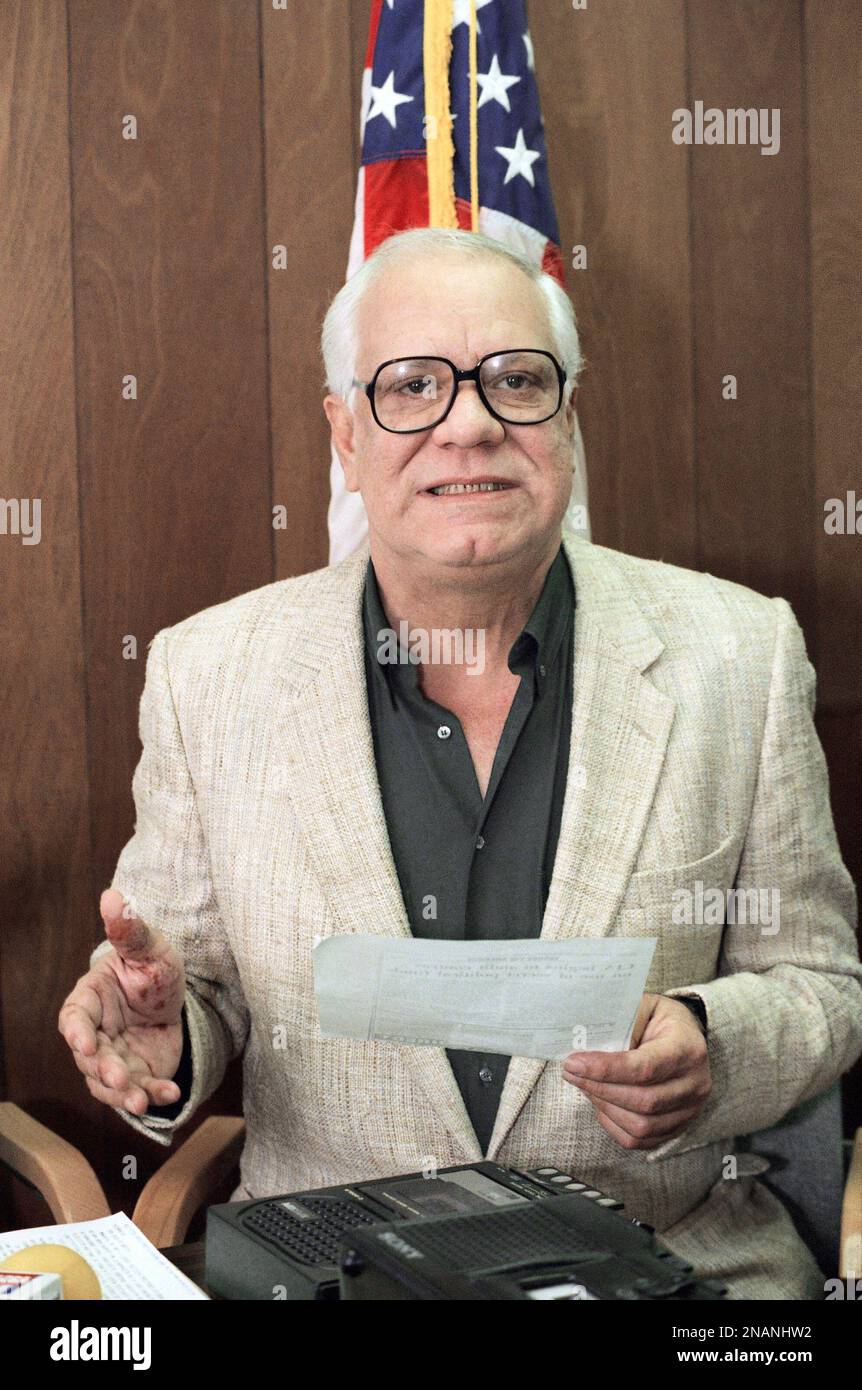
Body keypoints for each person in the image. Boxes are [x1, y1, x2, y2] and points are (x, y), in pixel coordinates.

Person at [59, 227, 862, 1299]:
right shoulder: (210, 674)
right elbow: (185, 986)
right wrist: (167, 1036)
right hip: (334, 1278)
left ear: (568, 420)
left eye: (516, 380)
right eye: (413, 387)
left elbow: (822, 987)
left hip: (672, 1276)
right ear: (345, 433)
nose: (469, 424)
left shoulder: (740, 654)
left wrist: (715, 1046)